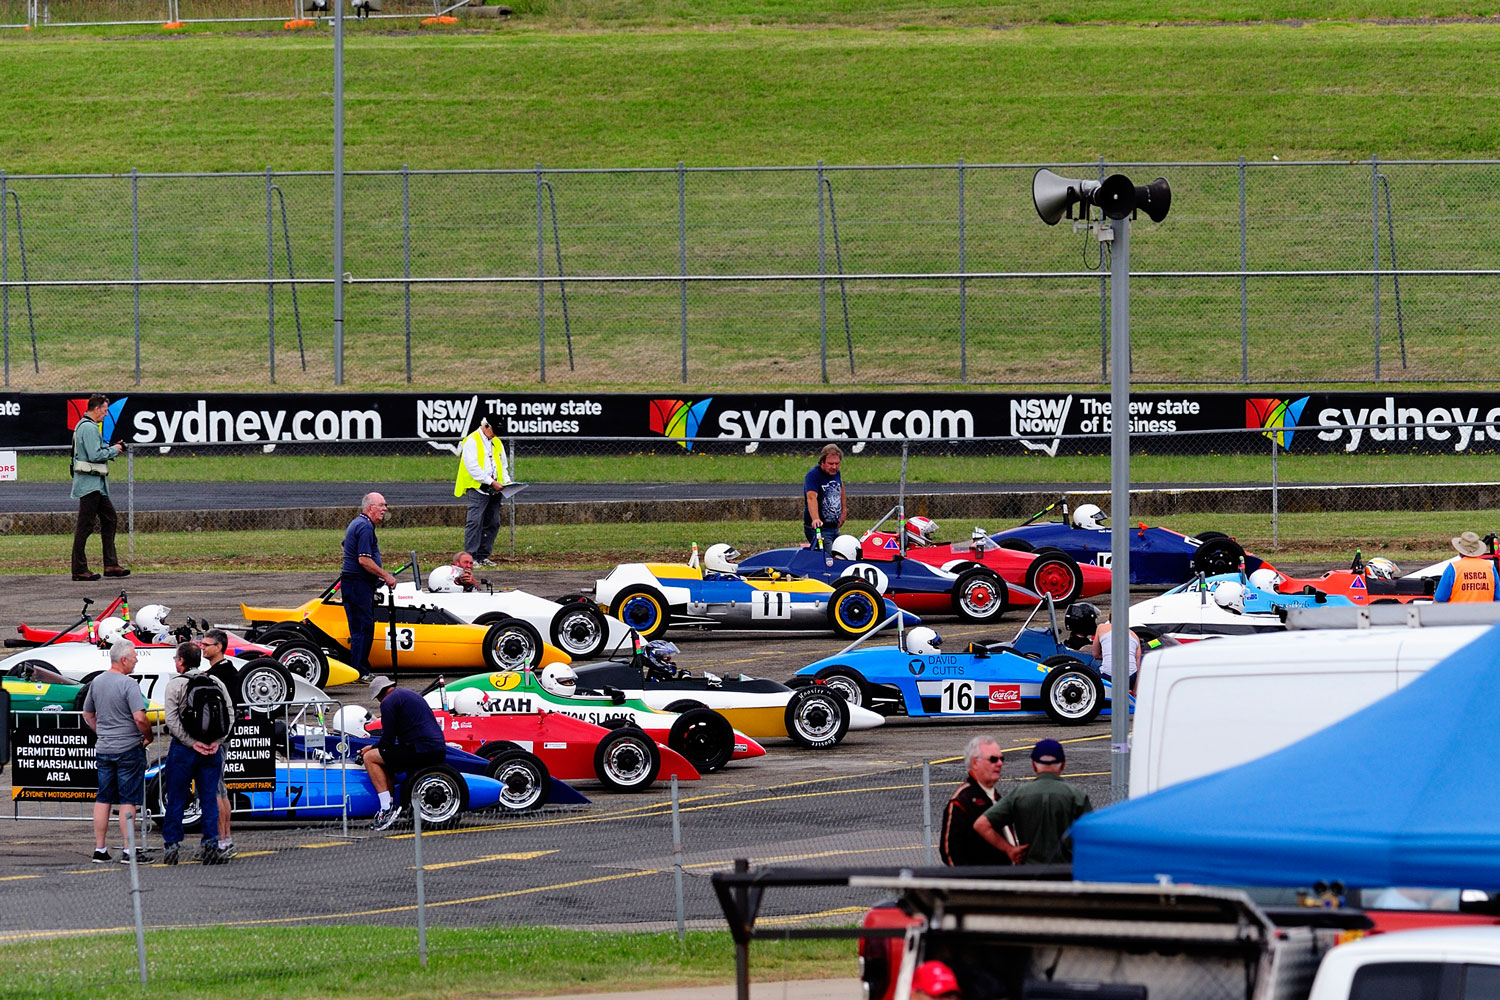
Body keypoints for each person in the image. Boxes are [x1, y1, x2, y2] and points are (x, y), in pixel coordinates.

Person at [81, 640, 154, 864]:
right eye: (134, 656)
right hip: (128, 748)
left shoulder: (97, 682)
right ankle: (129, 850)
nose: (136, 660)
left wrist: (102, 732)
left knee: (103, 798)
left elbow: (87, 714)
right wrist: (148, 737)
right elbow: (140, 717)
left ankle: (100, 849)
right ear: (123, 660)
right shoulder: (129, 684)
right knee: (127, 800)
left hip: (104, 748)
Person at [161, 642, 232, 865]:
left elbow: (171, 720)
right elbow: (230, 713)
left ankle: (172, 845)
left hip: (184, 750)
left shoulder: (175, 685)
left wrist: (191, 742)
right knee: (209, 797)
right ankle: (210, 844)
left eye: (176, 658)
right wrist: (217, 742)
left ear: (181, 661)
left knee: (176, 798)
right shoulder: (215, 682)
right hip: (211, 749)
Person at [974, 739, 1092, 865]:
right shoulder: (1076, 796)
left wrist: (1009, 850)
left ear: (1034, 765)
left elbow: (981, 824)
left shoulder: (1019, 795)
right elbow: (1092, 834)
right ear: (1063, 764)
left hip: (1030, 873)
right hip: (1066, 872)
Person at [360, 675, 447, 831]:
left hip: (421, 750)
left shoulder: (388, 702)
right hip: (434, 748)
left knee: (370, 758)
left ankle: (386, 809)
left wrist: (370, 749)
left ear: (380, 694)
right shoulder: (408, 693)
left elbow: (387, 740)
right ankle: (392, 802)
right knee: (387, 758)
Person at [70, 393, 129, 582]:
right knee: (84, 526)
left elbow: (93, 452)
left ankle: (111, 564)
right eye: (104, 410)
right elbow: (95, 455)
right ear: (96, 408)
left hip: (96, 484)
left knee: (110, 518)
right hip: (90, 484)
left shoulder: (87, 426)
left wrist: (111, 449)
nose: (105, 413)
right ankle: (79, 569)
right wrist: (115, 450)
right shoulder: (88, 427)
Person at [341, 492, 398, 680]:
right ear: (370, 508)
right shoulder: (364, 527)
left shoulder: (359, 524)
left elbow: (345, 545)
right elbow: (364, 560)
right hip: (357, 584)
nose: (385, 509)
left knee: (362, 627)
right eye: (381, 505)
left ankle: (360, 667)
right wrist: (386, 576)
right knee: (362, 628)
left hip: (356, 583)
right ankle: (359, 671)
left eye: (385, 505)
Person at [939, 736, 1012, 867]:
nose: (1000, 763)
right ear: (975, 763)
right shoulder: (961, 801)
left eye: (1002, 759)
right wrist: (971, 882)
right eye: (993, 759)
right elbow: (949, 852)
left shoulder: (996, 797)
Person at [199, 629, 240, 859]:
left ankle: (222, 841)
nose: (203, 647)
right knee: (220, 789)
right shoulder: (224, 671)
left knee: (216, 790)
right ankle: (225, 840)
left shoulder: (222, 674)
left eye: (207, 645)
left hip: (217, 739)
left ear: (219, 647)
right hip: (223, 736)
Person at [454, 416, 510, 568]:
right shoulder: (471, 441)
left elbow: (502, 466)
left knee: (493, 522)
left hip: (495, 490)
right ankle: (471, 557)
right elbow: (473, 468)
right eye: (493, 431)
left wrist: (507, 481)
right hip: (478, 488)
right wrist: (491, 481)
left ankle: (484, 555)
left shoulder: (496, 442)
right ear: (486, 426)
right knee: (474, 522)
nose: (495, 435)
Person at [803, 443, 846, 549]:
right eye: (830, 464)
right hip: (820, 528)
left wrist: (844, 510)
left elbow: (840, 487)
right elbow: (811, 497)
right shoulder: (813, 475)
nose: (834, 467)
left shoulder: (836, 473)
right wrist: (816, 519)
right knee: (829, 557)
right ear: (822, 462)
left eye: (837, 463)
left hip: (834, 527)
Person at [1434, 531, 1498, 603]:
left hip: (1458, 613)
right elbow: (1498, 599)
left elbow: (1439, 600)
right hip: (1486, 613)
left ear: (1460, 551)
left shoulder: (1453, 568)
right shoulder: (1490, 567)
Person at [1089, 613, 1141, 692]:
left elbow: (1095, 654)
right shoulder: (1135, 636)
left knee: (1095, 661)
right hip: (1129, 679)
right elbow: (1138, 668)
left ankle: (1094, 689)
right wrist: (1134, 692)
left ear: (1109, 618)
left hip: (1109, 677)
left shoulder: (1101, 627)